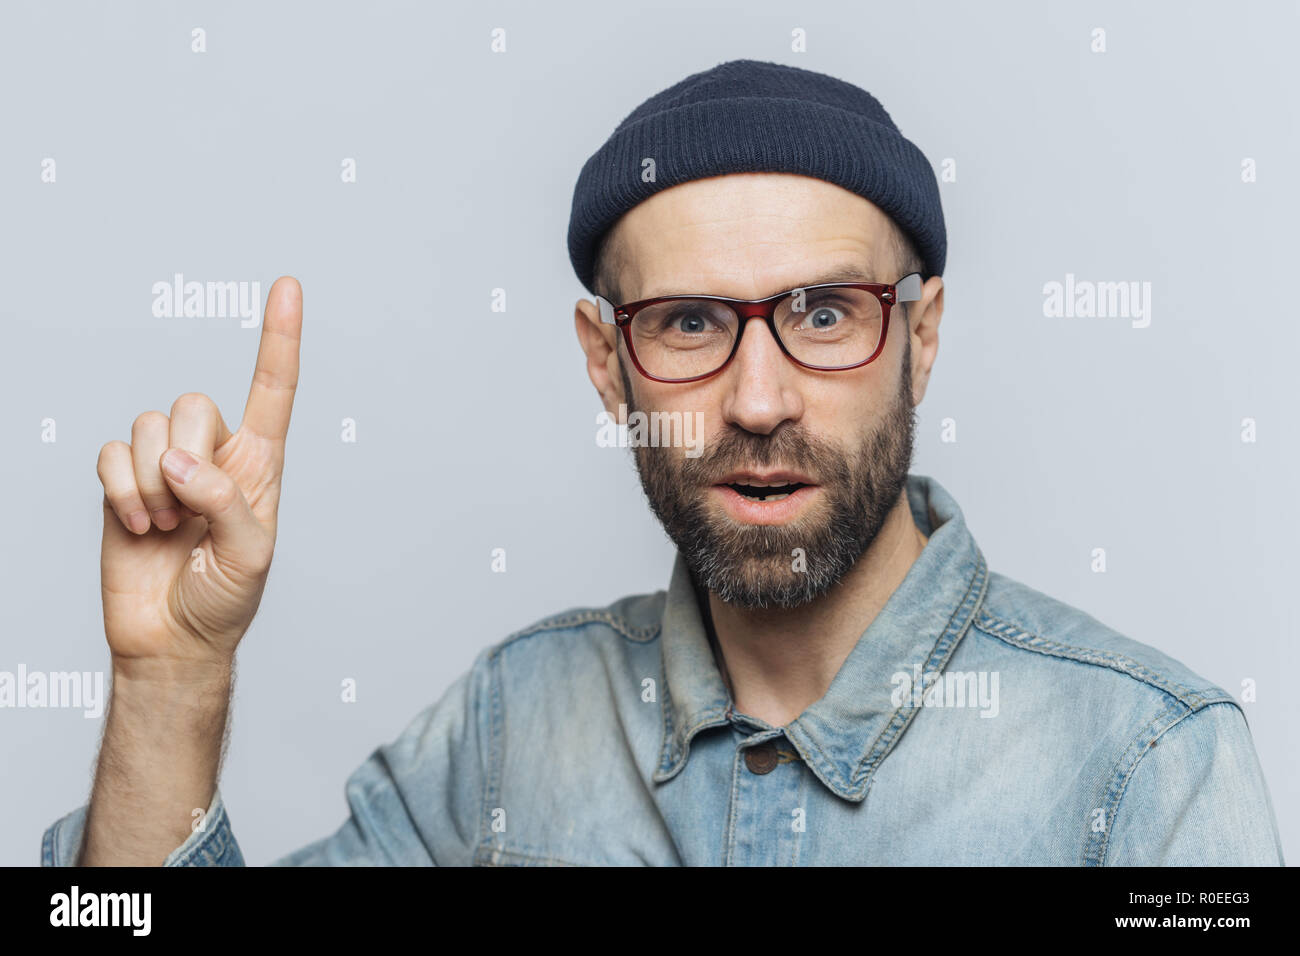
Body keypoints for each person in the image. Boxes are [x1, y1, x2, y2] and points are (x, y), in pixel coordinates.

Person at [43, 59, 1283, 866]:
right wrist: (171, 678)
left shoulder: (1148, 763)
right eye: (688, 323)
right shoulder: (504, 727)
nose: (757, 400)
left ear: (922, 333)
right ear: (604, 359)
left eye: (823, 312)